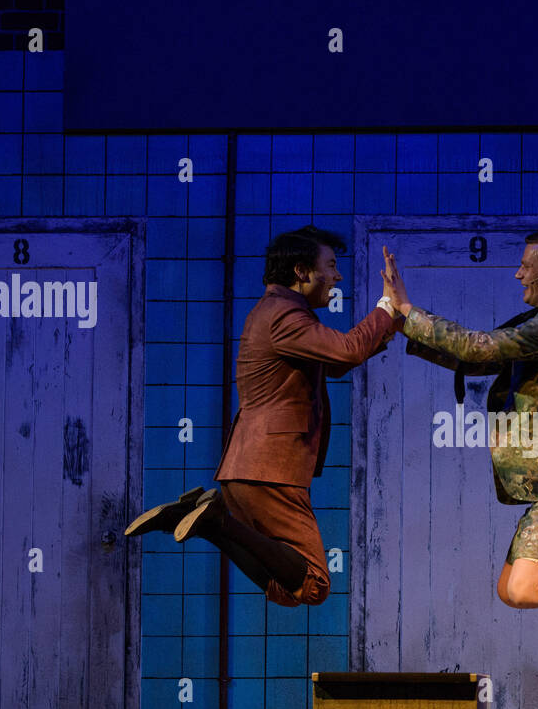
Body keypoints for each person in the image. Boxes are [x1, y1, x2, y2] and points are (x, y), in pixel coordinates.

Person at [125, 225, 401, 606]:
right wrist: (388, 306)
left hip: (245, 469)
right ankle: (217, 521)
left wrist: (387, 330)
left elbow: (333, 364)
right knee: (315, 583)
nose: (337, 276)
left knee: (288, 588)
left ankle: (205, 521)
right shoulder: (285, 315)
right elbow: (347, 351)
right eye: (331, 266)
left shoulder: (279, 311)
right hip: (272, 468)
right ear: (302, 271)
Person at [380, 231, 538, 609]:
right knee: (507, 589)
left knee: (524, 590)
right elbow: (483, 360)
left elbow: (478, 346)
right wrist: (406, 328)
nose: (518, 275)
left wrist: (410, 311)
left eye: (526, 267)